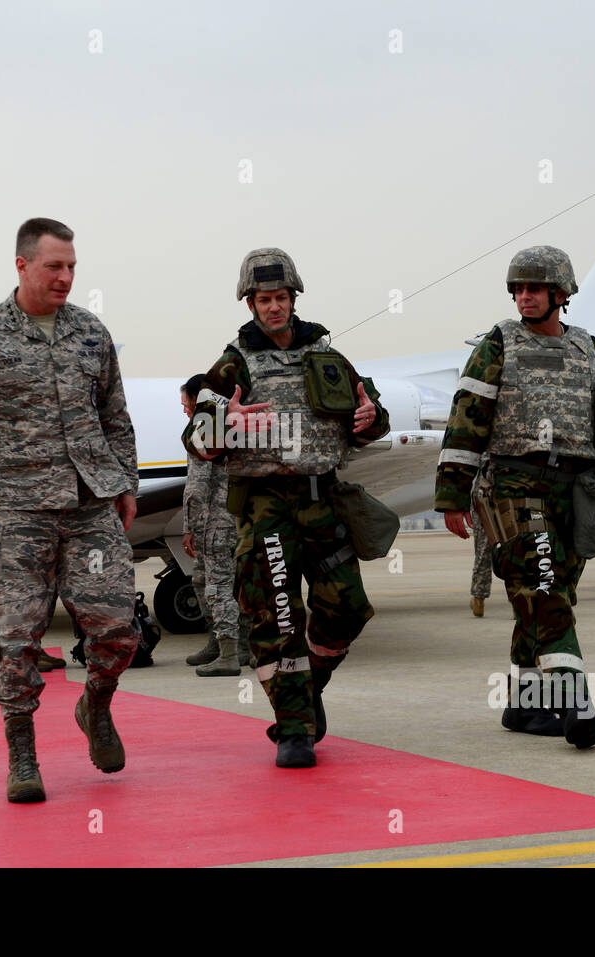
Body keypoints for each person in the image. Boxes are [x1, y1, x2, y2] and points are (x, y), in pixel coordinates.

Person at [0, 217, 139, 803]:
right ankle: (22, 753)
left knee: (118, 629)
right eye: (53, 266)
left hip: (91, 505)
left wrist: (126, 482)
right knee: (18, 639)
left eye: (72, 267)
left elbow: (114, 415)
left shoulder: (91, 332)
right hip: (18, 509)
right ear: (22, 265)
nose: (65, 277)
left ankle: (96, 705)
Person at [435, 246, 595, 749]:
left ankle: (526, 705)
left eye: (535, 289)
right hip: (513, 488)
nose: (525, 297)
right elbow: (466, 421)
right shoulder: (497, 346)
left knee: (547, 594)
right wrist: (453, 496)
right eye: (518, 289)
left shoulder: (591, 351)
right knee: (545, 593)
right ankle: (575, 702)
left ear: (560, 293)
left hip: (575, 492)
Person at [182, 248, 390, 768]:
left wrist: (371, 418)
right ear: (249, 303)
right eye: (263, 300)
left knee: (346, 610)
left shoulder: (327, 355)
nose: (273, 307)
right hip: (266, 508)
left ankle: (308, 688)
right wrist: (225, 424)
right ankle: (295, 729)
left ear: (293, 299)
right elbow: (196, 440)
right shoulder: (231, 366)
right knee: (277, 617)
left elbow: (371, 413)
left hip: (323, 501)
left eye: (280, 298)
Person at [179, 375, 250, 676]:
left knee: (218, 587)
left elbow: (195, 487)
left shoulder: (204, 430)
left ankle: (230, 652)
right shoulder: (233, 424)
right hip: (238, 519)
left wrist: (189, 528)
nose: (184, 409)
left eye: (185, 403)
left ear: (198, 399)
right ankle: (222, 643)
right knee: (211, 581)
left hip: (216, 522)